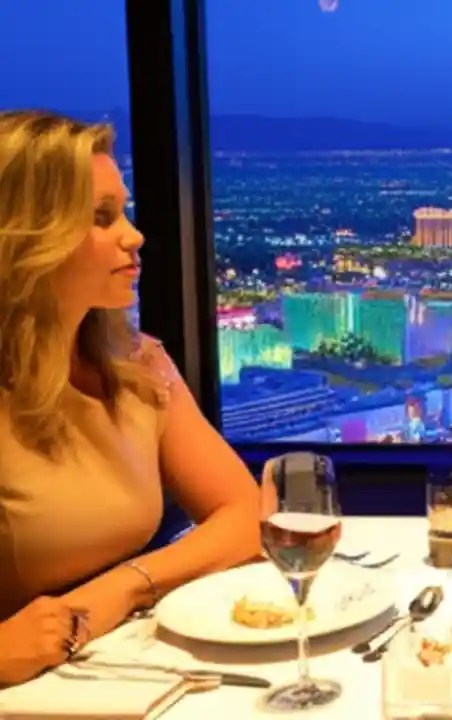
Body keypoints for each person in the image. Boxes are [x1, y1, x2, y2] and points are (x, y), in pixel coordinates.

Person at [0, 111, 262, 685]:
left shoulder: (138, 365)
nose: (134, 235)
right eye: (101, 217)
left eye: (124, 210)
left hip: (122, 666)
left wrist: (118, 591)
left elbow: (246, 515)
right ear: (24, 236)